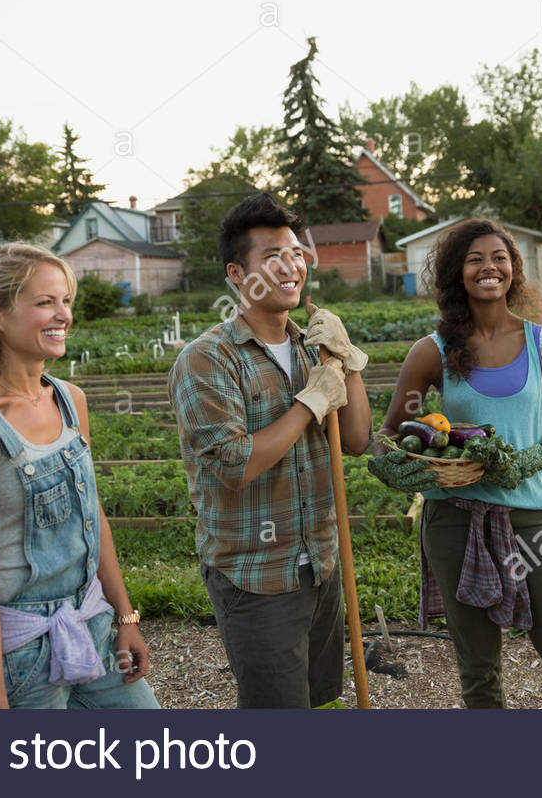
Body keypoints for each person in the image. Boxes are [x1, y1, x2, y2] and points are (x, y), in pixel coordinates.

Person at [369, 218, 542, 708]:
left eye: (499, 257)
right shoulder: (431, 353)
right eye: (474, 259)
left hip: (531, 521)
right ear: (458, 274)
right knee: (479, 671)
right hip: (453, 521)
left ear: (513, 269)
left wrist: (528, 460)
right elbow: (391, 433)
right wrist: (390, 465)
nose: (488, 267)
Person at [0, 243, 158, 709]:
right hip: (19, 652)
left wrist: (127, 617)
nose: (63, 315)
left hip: (90, 623)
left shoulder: (70, 400)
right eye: (45, 302)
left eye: (66, 301)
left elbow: (91, 515)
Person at [169, 192, 371, 708]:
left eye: (296, 252)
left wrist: (346, 361)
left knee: (322, 702)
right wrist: (310, 402)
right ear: (238, 274)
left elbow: (355, 440)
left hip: (320, 564)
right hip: (256, 577)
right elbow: (235, 467)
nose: (291, 265)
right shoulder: (208, 359)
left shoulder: (314, 346)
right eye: (272, 257)